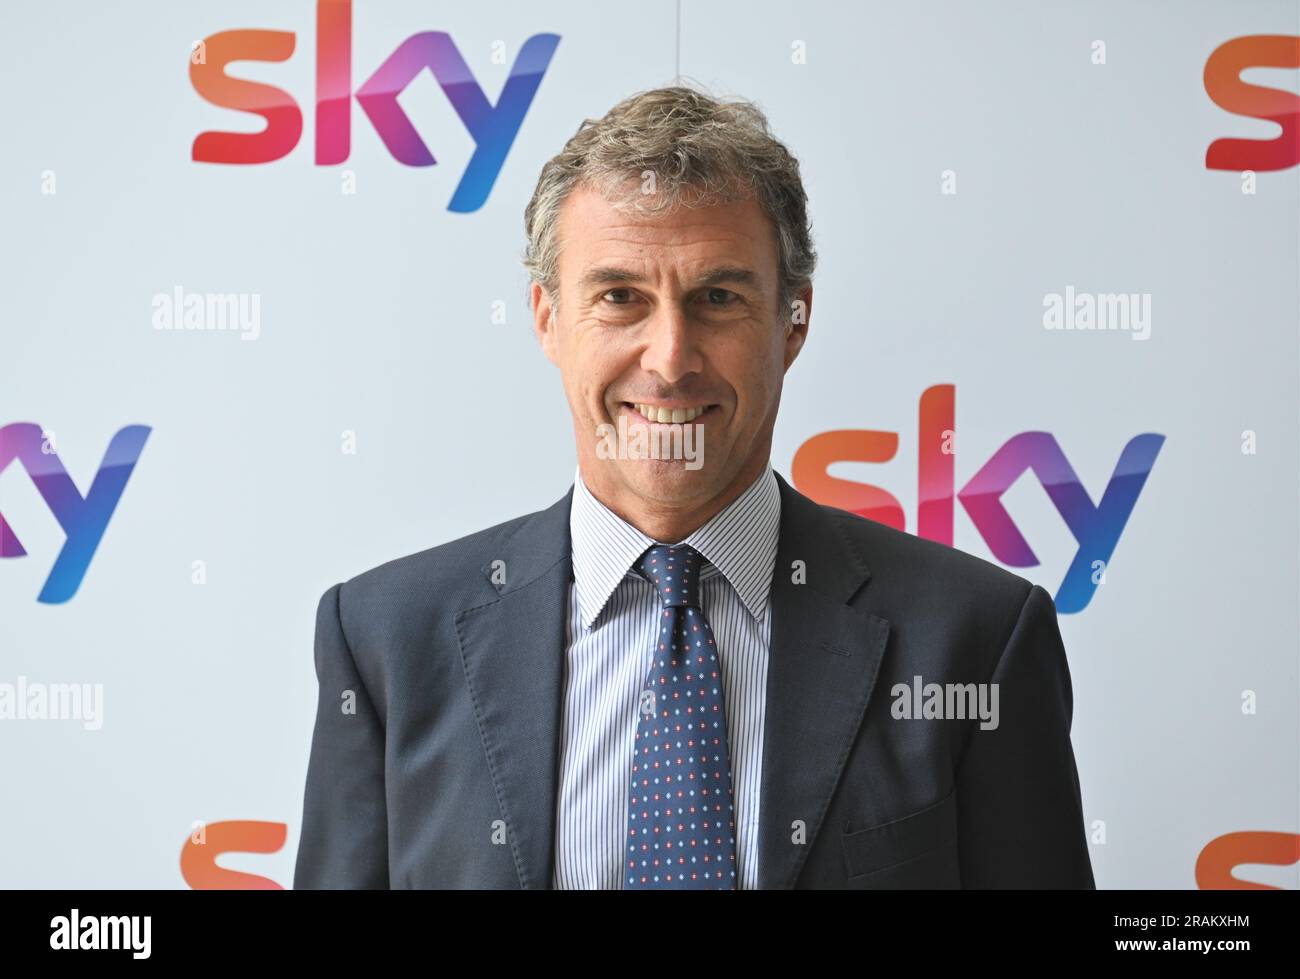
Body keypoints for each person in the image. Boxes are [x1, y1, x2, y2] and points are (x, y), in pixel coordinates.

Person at [293, 84, 1095, 889]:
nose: (671, 358)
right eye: (619, 298)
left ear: (794, 321)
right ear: (546, 319)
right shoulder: (386, 643)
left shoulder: (975, 642)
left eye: (718, 297)